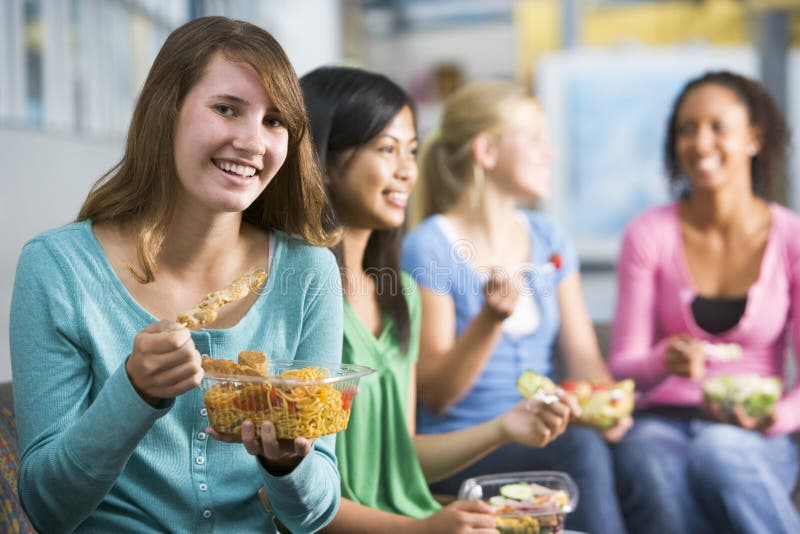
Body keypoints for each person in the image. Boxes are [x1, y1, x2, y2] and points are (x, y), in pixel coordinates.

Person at [9, 17, 343, 533]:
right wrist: (134, 391)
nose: (253, 141)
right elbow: (48, 508)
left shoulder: (308, 272)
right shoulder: (57, 267)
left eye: (274, 121)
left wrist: (287, 464)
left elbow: (314, 515)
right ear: (165, 111)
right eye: (226, 109)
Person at [300, 66, 576, 533]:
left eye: (411, 150)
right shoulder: (297, 289)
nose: (407, 170)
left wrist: (504, 427)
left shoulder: (400, 294)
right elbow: (285, 490)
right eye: (386, 149)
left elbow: (401, 458)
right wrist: (422, 531)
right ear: (323, 161)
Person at [401, 80, 630, 534]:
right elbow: (438, 396)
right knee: (580, 450)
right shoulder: (429, 247)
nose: (551, 153)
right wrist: (490, 321)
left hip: (544, 437)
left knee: (641, 453)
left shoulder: (549, 239)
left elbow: (584, 361)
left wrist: (611, 406)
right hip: (467, 449)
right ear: (487, 151)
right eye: (535, 138)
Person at [609, 70, 800, 534]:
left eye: (718, 127)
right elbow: (623, 365)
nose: (700, 143)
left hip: (753, 433)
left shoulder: (791, 239)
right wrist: (662, 360)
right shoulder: (647, 233)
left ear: (754, 138)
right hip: (663, 421)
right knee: (649, 459)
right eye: (687, 129)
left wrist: (773, 416)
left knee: (719, 449)